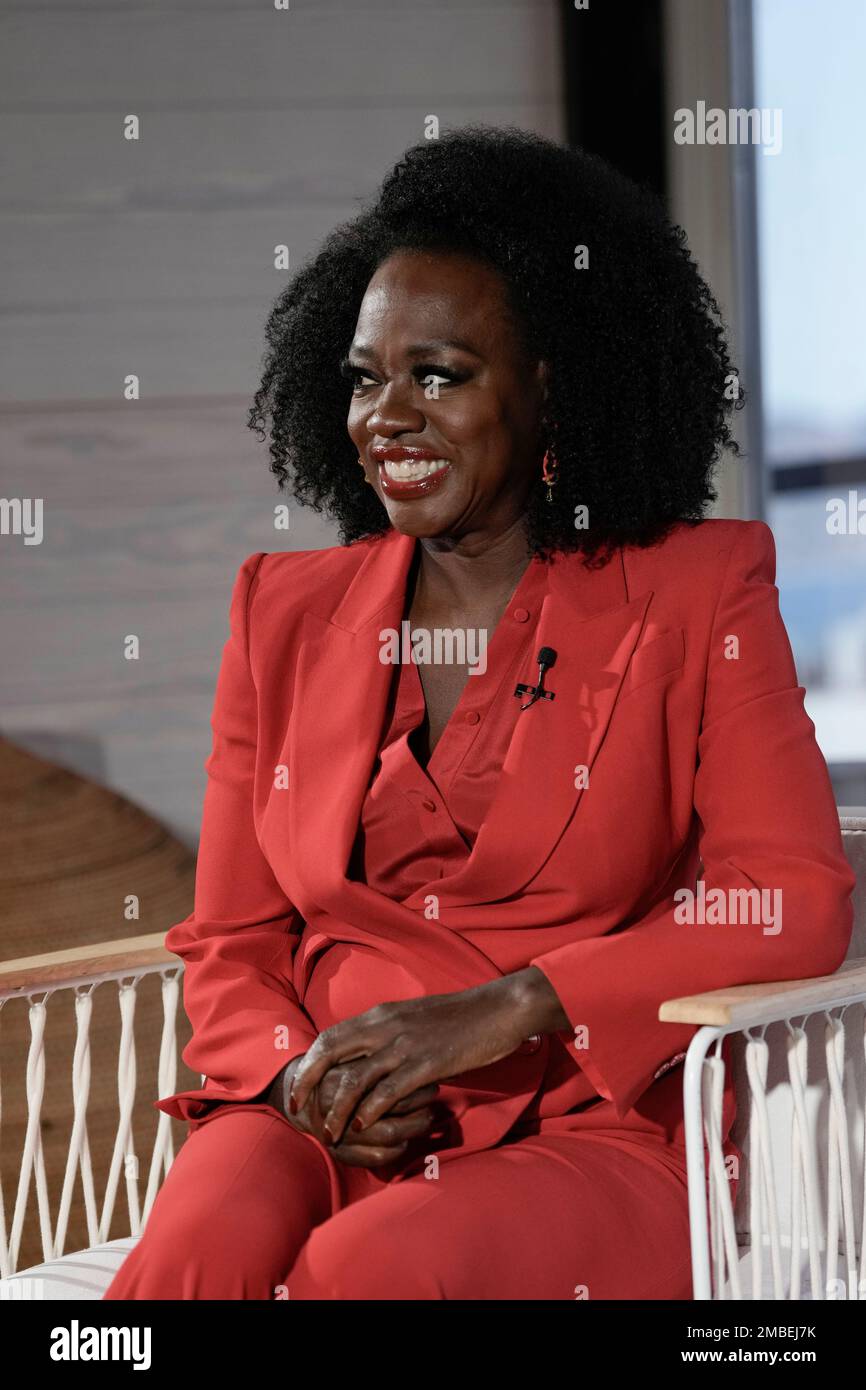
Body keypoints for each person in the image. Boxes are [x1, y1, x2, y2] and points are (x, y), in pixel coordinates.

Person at [103, 126, 855, 1301]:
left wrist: (510, 1006)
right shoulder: (282, 611)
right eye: (363, 378)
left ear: (553, 381)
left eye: (438, 374)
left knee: (369, 1270)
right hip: (325, 1108)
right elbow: (231, 938)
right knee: (196, 1247)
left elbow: (795, 901)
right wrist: (302, 1075)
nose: (385, 417)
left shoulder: (696, 591)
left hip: (589, 1120)